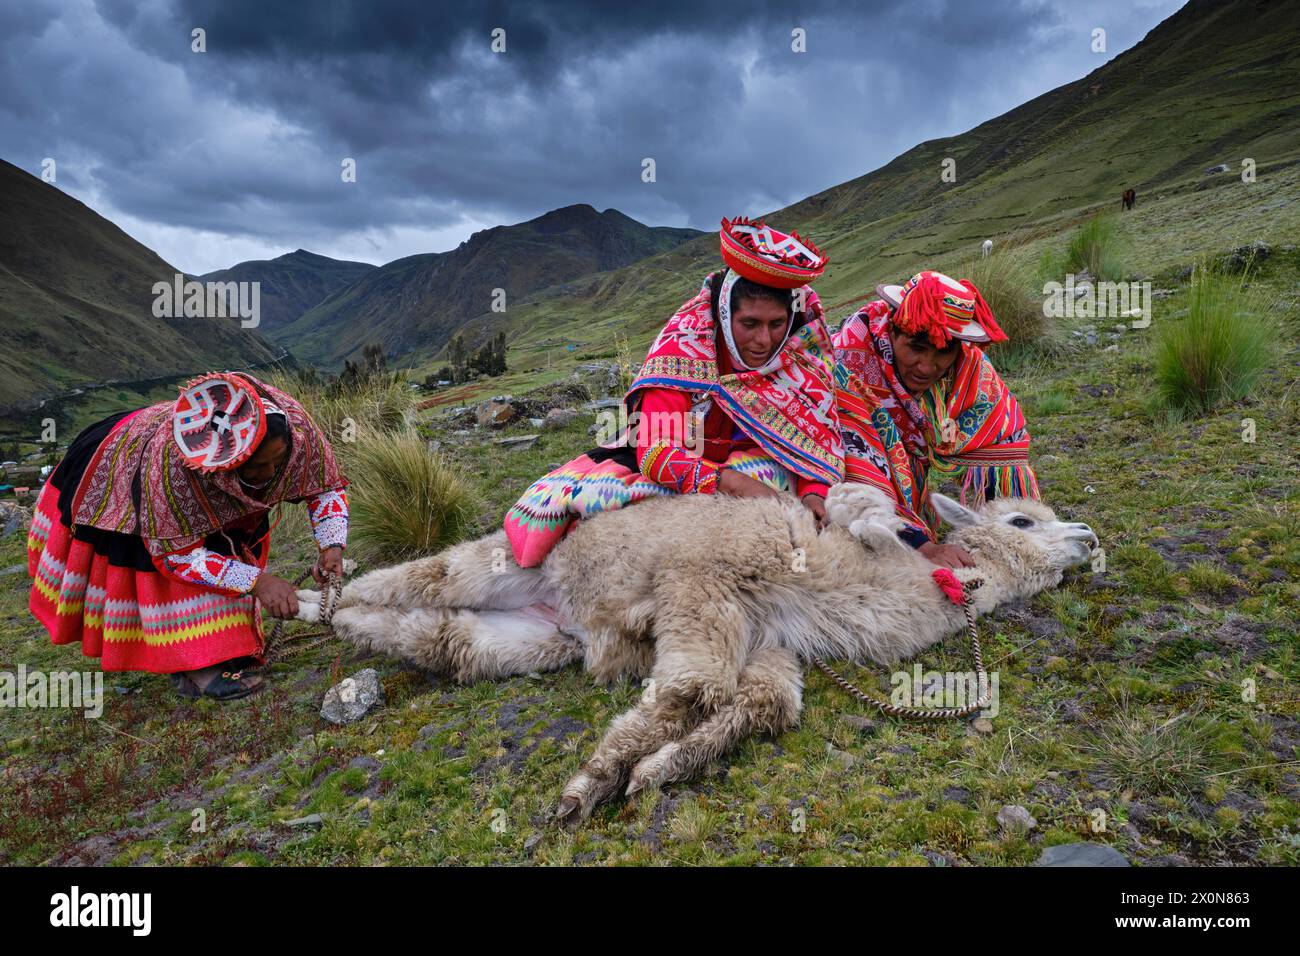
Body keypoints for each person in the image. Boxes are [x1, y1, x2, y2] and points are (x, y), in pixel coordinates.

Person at [504, 216, 843, 566]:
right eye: (750, 324)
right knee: (602, 504)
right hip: (676, 463)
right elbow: (656, 452)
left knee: (780, 486)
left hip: (755, 466)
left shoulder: (798, 357)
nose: (764, 340)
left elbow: (812, 443)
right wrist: (733, 483)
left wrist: (814, 493)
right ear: (725, 314)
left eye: (776, 324)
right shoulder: (684, 348)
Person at [26, 372, 348, 699]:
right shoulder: (169, 474)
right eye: (254, 468)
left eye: (276, 461)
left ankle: (226, 647)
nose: (268, 475)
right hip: (130, 472)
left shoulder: (297, 429)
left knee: (231, 548)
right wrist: (260, 582)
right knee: (174, 568)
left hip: (194, 493)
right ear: (225, 466)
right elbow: (181, 557)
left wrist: (331, 546)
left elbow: (325, 487)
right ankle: (196, 666)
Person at [833, 270, 1039, 568]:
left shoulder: (968, 369)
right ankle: (898, 532)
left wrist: (1022, 529)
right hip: (848, 492)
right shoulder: (850, 362)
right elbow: (856, 458)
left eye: (943, 352)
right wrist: (924, 547)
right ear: (892, 331)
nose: (927, 367)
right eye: (916, 348)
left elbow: (1005, 440)